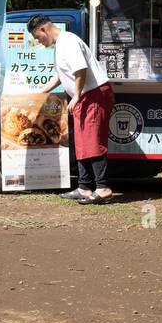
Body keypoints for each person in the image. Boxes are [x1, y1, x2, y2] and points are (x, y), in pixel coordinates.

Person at [28, 15, 115, 203]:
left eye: (37, 37)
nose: (39, 42)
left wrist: (76, 95)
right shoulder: (59, 45)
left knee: (93, 139)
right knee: (82, 141)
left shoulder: (68, 41)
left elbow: (80, 69)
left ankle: (103, 188)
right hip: (83, 95)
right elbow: (60, 76)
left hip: (93, 94)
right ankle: (84, 187)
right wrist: (40, 92)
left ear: (44, 29)